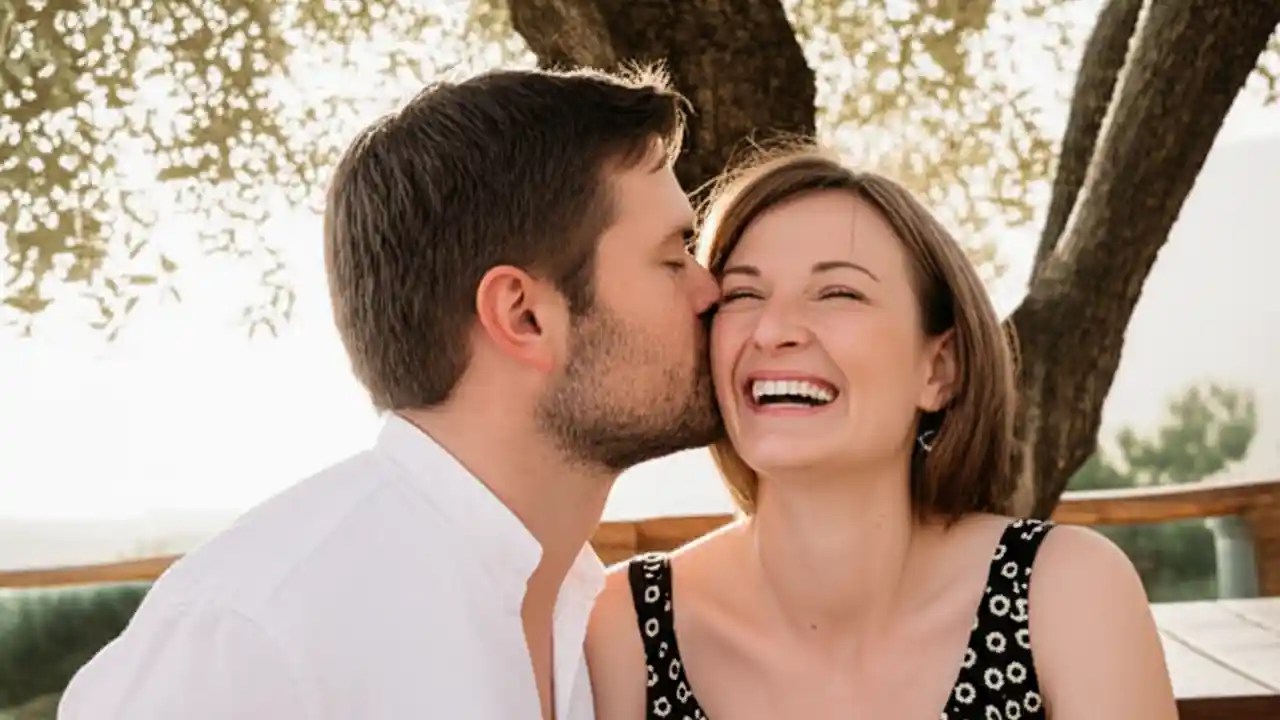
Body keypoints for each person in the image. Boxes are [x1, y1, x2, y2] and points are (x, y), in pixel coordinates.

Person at [58, 65, 723, 719]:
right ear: (524, 316)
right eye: (672, 259)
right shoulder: (258, 632)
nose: (710, 290)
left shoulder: (583, 616)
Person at [585, 147, 1179, 719]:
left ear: (939, 370)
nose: (772, 330)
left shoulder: (1067, 593)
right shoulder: (622, 627)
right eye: (743, 294)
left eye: (838, 292)